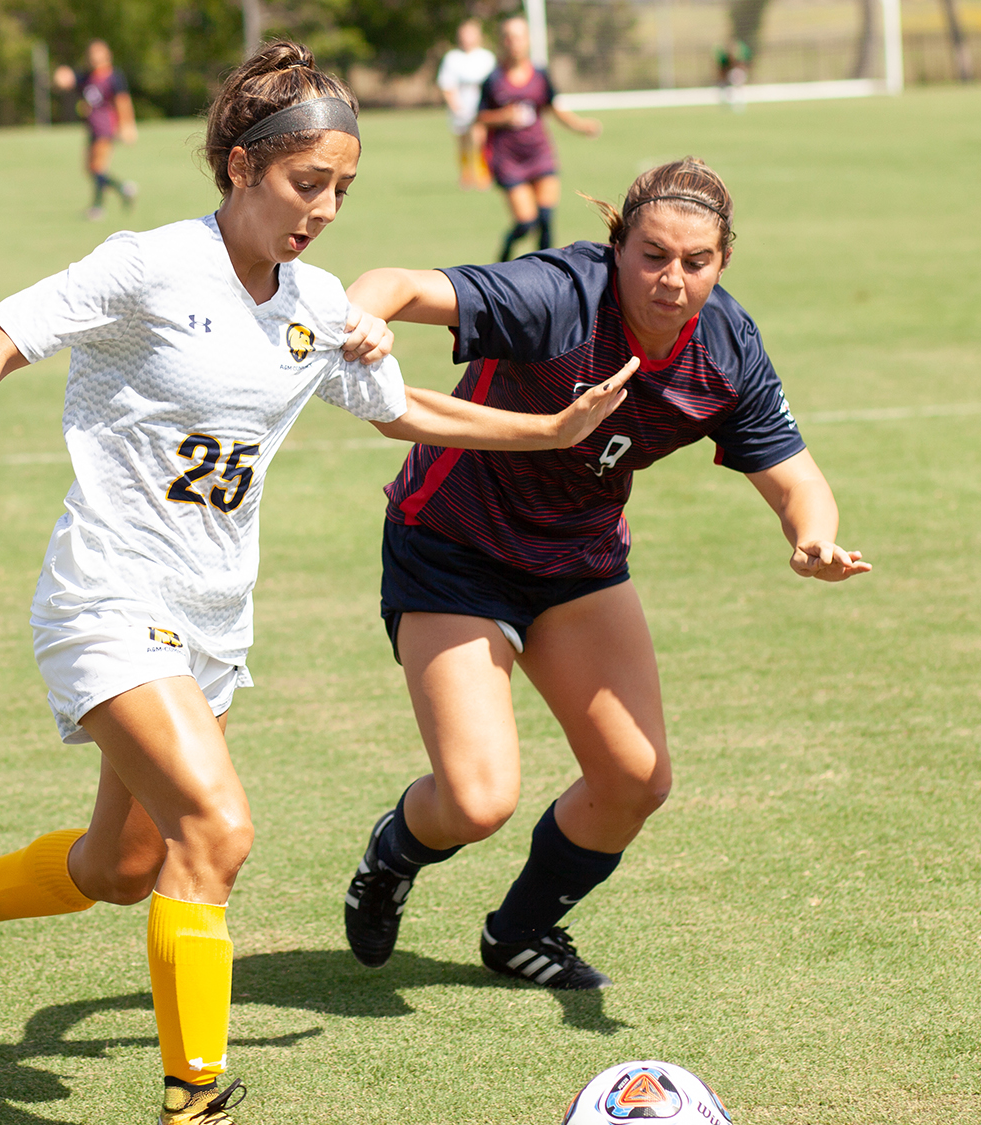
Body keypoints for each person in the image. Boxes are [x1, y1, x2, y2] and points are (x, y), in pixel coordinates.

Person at [0, 43, 640, 1125]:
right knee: (219, 832)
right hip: (106, 593)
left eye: (342, 188)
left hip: (209, 617)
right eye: (306, 183)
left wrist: (545, 429)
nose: (326, 209)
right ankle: (194, 1099)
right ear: (240, 166)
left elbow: (394, 408)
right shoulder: (147, 265)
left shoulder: (316, 299)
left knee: (125, 865)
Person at [338, 158, 872, 991]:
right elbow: (399, 283)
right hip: (453, 547)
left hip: (576, 562)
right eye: (653, 255)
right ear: (618, 245)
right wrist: (362, 317)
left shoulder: (727, 348)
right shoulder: (557, 296)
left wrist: (814, 538)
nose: (673, 279)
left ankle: (522, 931)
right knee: (477, 800)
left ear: (722, 262)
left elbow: (796, 477)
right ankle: (391, 853)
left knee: (635, 779)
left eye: (696, 262)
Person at [478, 15, 601, 262]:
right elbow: (480, 117)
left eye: (519, 37)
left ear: (528, 41)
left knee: (545, 218)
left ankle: (546, 272)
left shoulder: (540, 75)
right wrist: (503, 116)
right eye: (509, 37)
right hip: (509, 158)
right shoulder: (493, 79)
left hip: (539, 153)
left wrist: (580, 125)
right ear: (503, 41)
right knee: (526, 222)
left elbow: (554, 108)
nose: (514, 42)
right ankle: (503, 259)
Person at [54, 39, 138, 218]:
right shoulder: (87, 77)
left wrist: (127, 125)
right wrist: (61, 75)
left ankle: (100, 205)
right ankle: (121, 190)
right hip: (92, 128)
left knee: (97, 167)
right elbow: (68, 79)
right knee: (92, 169)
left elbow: (123, 102)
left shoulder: (114, 77)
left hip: (106, 128)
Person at [436, 18, 497, 190]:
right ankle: (466, 175)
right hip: (461, 107)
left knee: (480, 139)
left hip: (482, 107)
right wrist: (456, 106)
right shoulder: (452, 58)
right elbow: (447, 85)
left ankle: (483, 174)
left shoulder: (487, 58)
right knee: (463, 141)